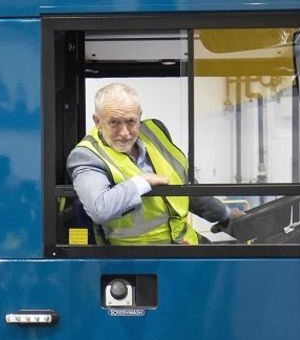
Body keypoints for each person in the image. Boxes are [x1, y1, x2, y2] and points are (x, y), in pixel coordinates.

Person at [68, 83, 241, 245]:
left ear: (139, 116)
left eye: (131, 121)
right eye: (114, 122)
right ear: (97, 121)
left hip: (184, 244)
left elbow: (183, 187)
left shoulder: (155, 132)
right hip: (137, 259)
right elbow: (100, 208)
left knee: (234, 267)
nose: (125, 133)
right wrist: (142, 182)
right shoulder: (86, 156)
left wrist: (225, 215)